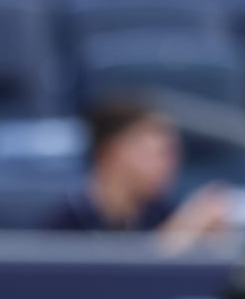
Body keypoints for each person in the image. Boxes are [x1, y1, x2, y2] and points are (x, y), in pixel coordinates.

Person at [47, 95, 230, 249]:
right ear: (113, 153)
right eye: (158, 153)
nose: (170, 164)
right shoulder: (62, 226)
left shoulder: (160, 213)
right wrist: (179, 233)